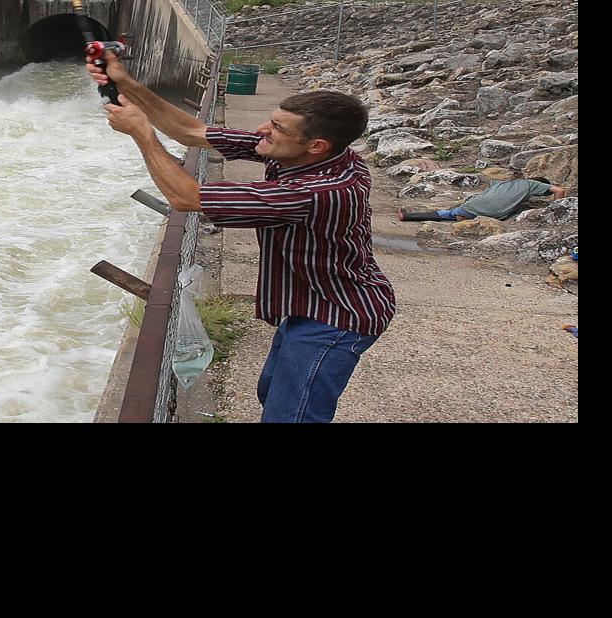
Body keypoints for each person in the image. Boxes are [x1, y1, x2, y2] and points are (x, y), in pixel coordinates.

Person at [89, 51, 394, 423]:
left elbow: (186, 197)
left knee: (291, 416)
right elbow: (192, 131)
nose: (264, 130)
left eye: (278, 128)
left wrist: (142, 133)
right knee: (272, 395)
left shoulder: (315, 191)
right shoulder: (311, 154)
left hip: (337, 316)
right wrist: (127, 83)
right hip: (313, 305)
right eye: (271, 120)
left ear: (317, 146)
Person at [400, 172, 568, 221]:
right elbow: (559, 191)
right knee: (450, 215)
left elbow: (492, 187)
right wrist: (555, 209)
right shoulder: (533, 184)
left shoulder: (507, 183)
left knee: (447, 213)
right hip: (494, 213)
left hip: (474, 204)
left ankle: (407, 216)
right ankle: (467, 217)